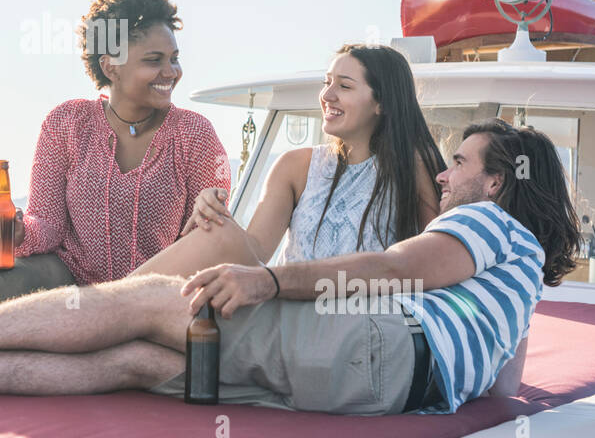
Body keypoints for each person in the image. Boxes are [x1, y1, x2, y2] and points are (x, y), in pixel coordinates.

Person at [0, 119, 580, 415]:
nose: (445, 179)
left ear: (497, 180)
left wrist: (268, 279)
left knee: (155, 298)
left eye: (459, 165)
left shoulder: (483, 221)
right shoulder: (524, 275)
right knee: (140, 356)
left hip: (372, 345)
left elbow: (393, 268)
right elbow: (505, 382)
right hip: (384, 386)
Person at [0, 0, 230, 320]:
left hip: (154, 299)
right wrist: (20, 233)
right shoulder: (67, 123)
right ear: (110, 66)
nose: (171, 72)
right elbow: (47, 222)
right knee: (19, 274)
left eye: (174, 59)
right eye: (154, 60)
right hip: (70, 287)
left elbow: (205, 237)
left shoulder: (194, 134)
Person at [125, 43, 444, 280]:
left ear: (382, 103)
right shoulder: (296, 166)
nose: (327, 95)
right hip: (286, 309)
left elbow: (436, 262)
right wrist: (212, 208)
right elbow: (256, 251)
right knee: (215, 230)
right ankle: (112, 302)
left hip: (358, 322)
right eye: (327, 82)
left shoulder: (414, 166)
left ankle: (104, 306)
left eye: (344, 86)